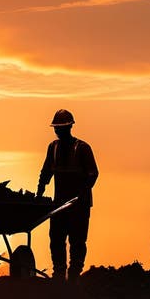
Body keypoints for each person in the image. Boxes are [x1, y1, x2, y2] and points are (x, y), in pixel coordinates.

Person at [36, 109, 99, 282]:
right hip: (59, 205)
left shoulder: (82, 148)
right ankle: (59, 273)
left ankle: (74, 275)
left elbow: (93, 174)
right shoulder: (53, 148)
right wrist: (40, 192)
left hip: (79, 205)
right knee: (56, 238)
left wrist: (82, 192)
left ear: (69, 127)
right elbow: (46, 172)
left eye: (61, 128)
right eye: (56, 128)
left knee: (77, 240)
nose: (58, 131)